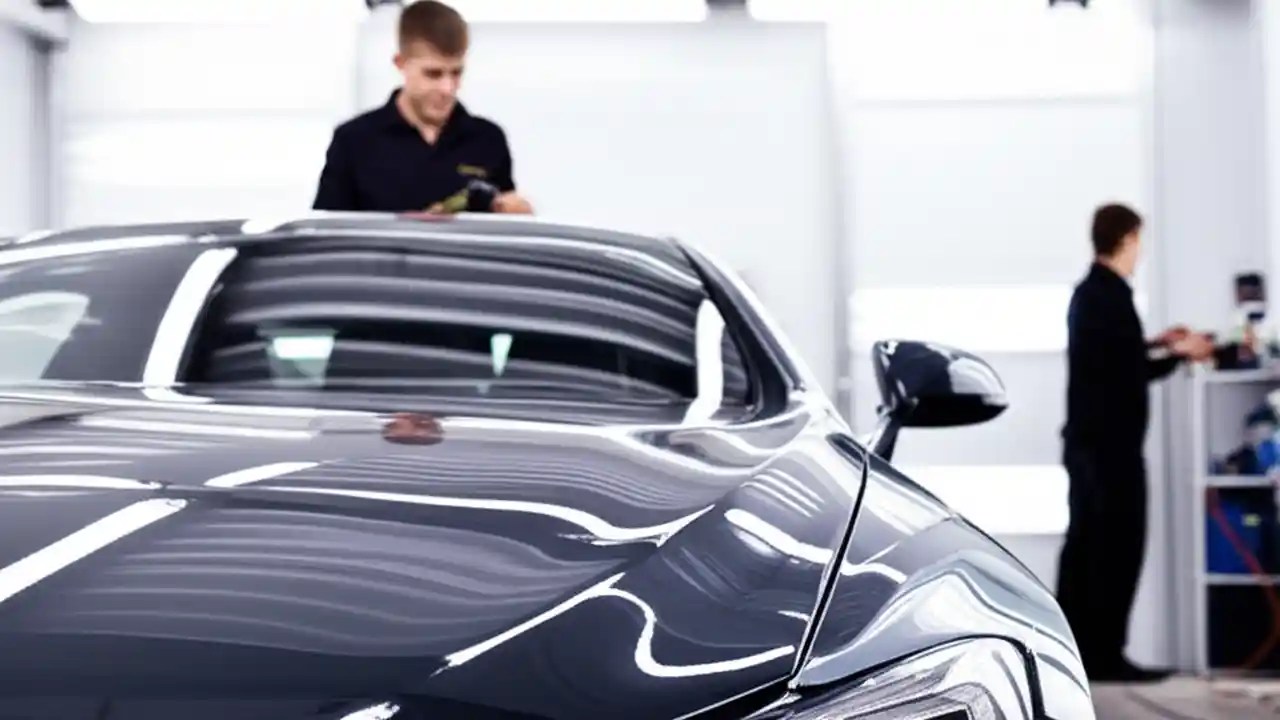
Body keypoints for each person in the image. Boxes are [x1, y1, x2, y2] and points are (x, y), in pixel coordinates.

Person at [1056, 203, 1213, 683]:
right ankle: (1105, 656)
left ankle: (1082, 654)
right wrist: (1182, 354)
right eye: (1139, 238)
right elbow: (1126, 372)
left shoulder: (1092, 294)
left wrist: (1158, 343)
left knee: (1087, 550)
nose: (1141, 248)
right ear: (1127, 239)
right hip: (1110, 453)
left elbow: (1116, 354)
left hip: (1090, 447)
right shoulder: (1109, 296)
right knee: (1114, 551)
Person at [312, 0, 533, 215]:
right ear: (401, 64)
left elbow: (507, 236)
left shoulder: (488, 140)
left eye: (456, 73)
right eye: (433, 74)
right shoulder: (353, 141)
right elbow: (326, 239)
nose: (447, 88)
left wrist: (519, 215)